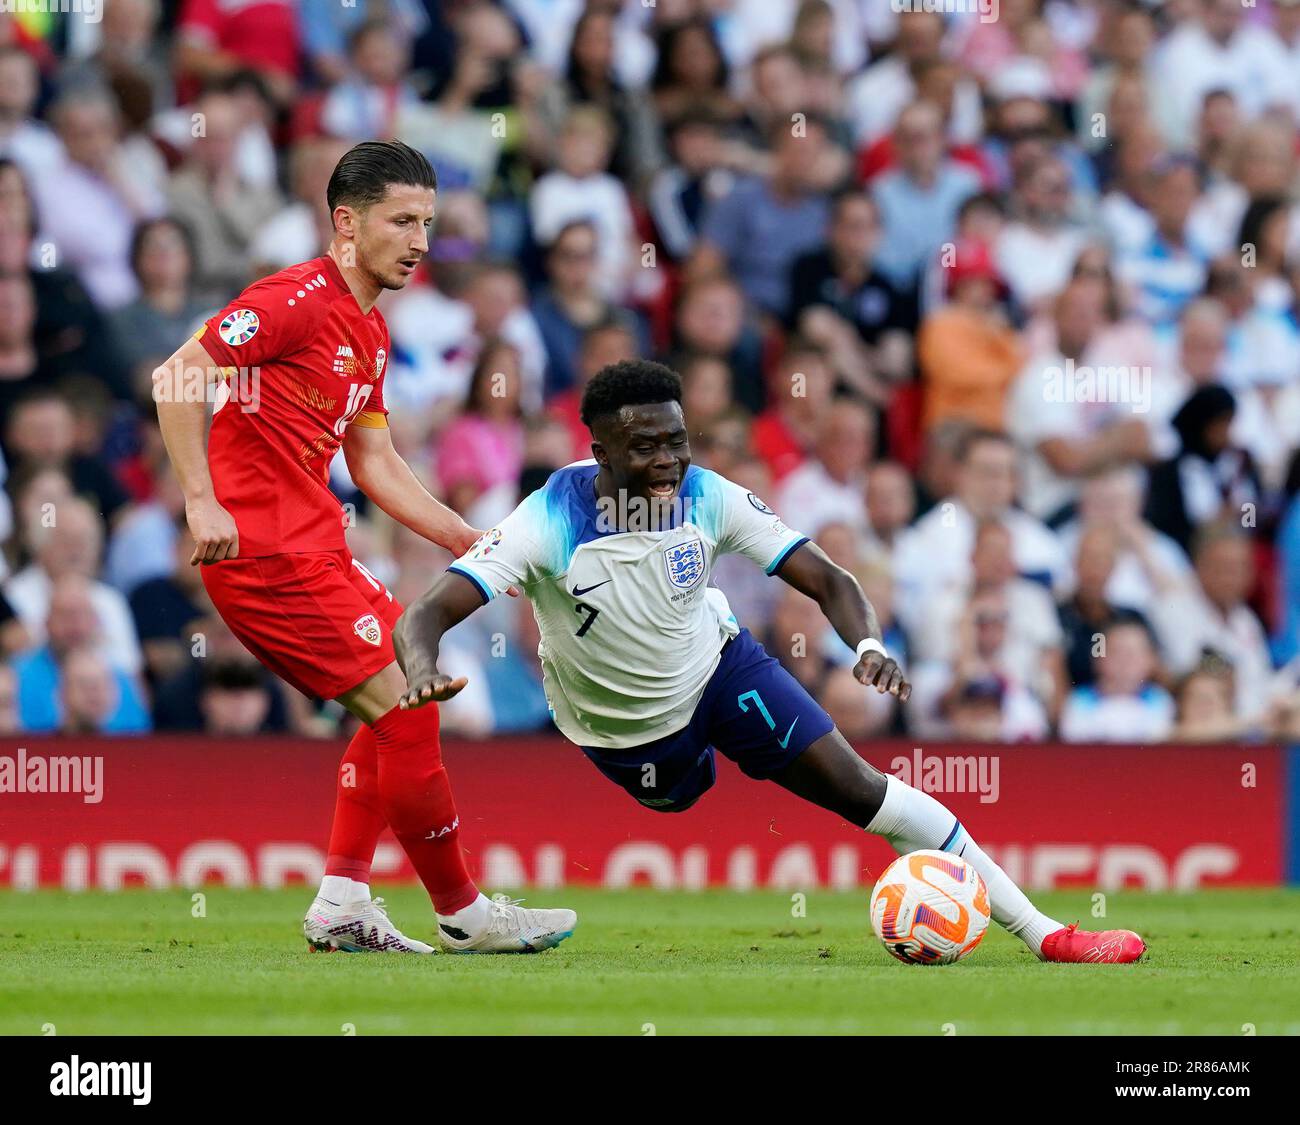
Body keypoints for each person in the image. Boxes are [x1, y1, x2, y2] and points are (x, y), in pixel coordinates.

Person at [394, 360, 1145, 965]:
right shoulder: (545, 522)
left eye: (677, 441)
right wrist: (422, 667)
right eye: (646, 447)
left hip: (723, 669)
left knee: (866, 790)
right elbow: (428, 610)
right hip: (626, 735)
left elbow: (827, 578)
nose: (668, 461)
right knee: (679, 796)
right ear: (601, 454)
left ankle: (1049, 934)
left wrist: (871, 644)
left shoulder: (708, 495)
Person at [152, 140, 574, 955]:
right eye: (403, 220)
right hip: (268, 559)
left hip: (318, 551)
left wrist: (470, 539)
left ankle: (344, 899)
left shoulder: (371, 334)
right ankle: (463, 911)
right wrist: (199, 499)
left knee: (396, 707)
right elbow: (179, 373)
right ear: (346, 223)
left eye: (428, 222)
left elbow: (373, 460)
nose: (420, 240)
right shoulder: (293, 299)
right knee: (407, 707)